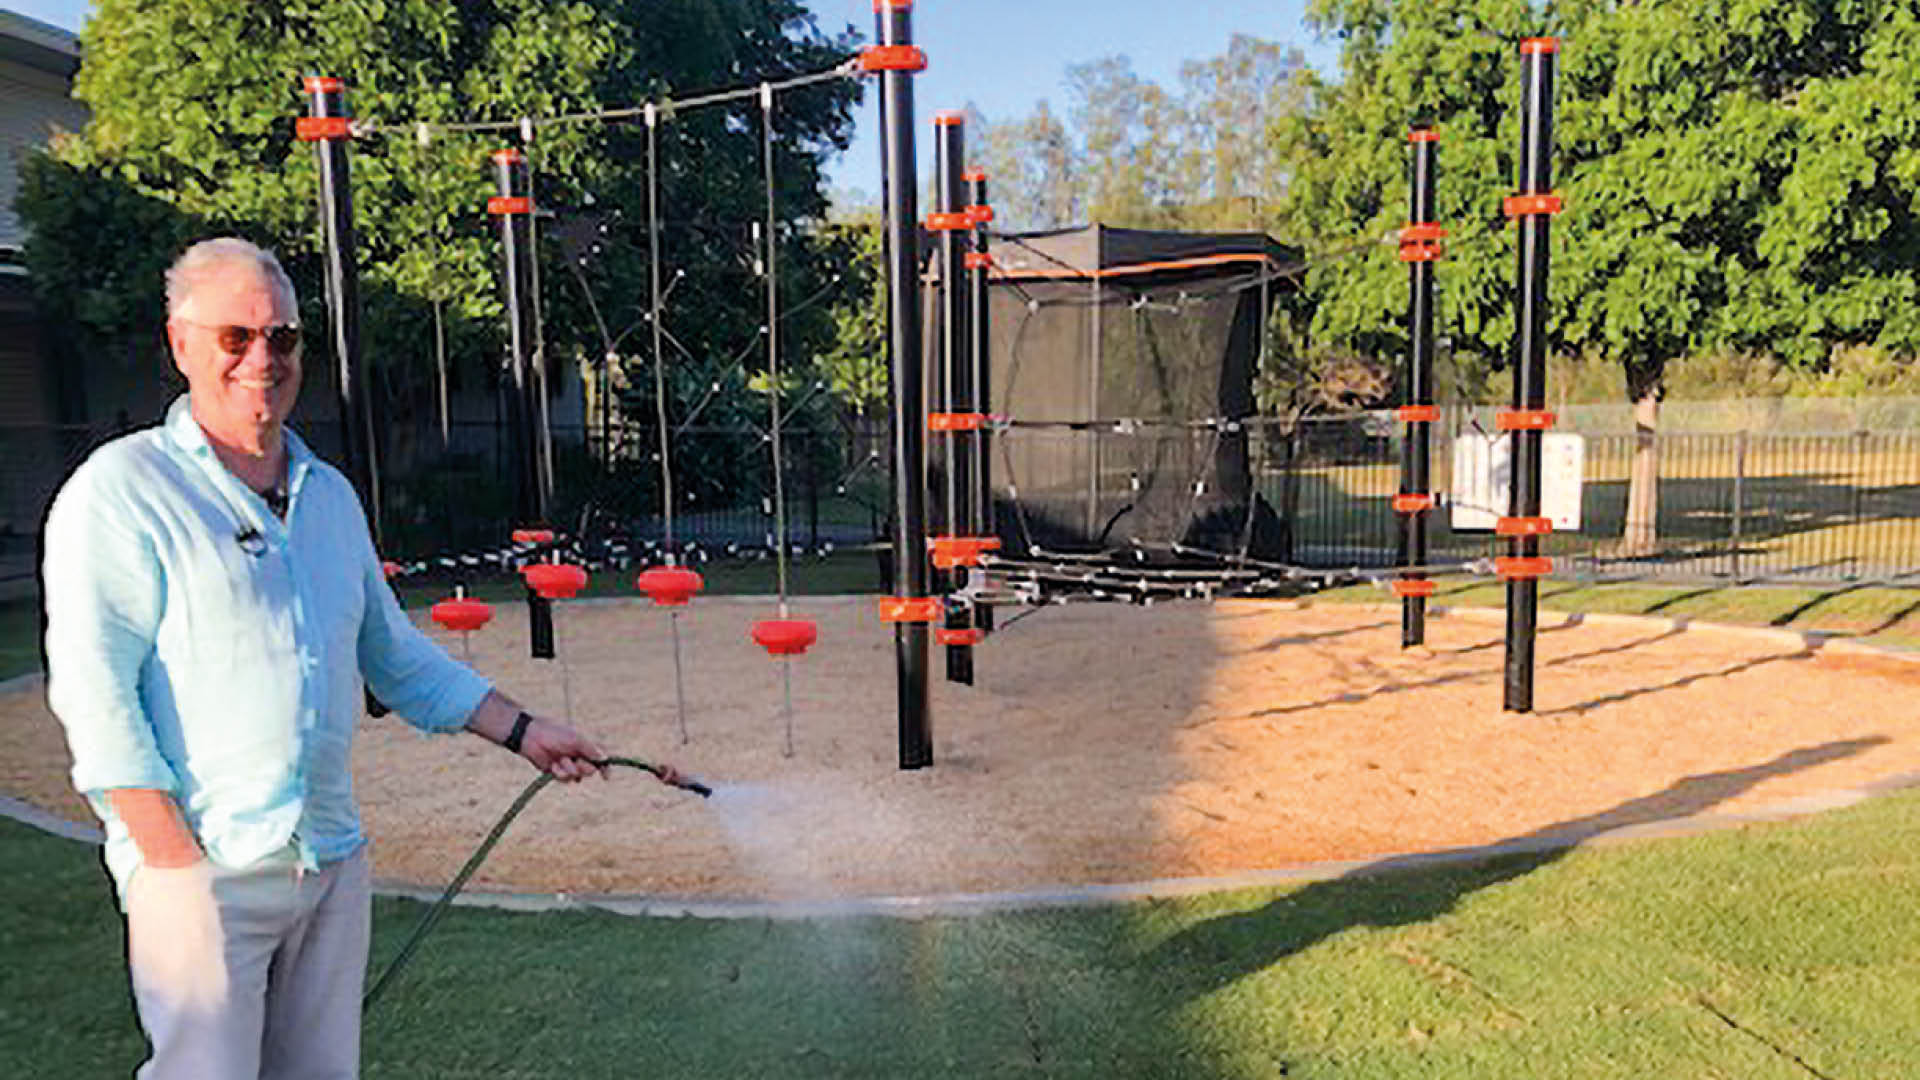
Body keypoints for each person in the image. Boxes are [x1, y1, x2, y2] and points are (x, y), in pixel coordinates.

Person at [42, 237, 662, 1079]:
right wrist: (173, 865)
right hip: (204, 866)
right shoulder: (120, 491)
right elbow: (96, 695)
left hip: (330, 859)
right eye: (236, 337)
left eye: (284, 337)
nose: (264, 358)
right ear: (181, 343)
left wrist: (525, 731)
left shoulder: (328, 494)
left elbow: (392, 653)